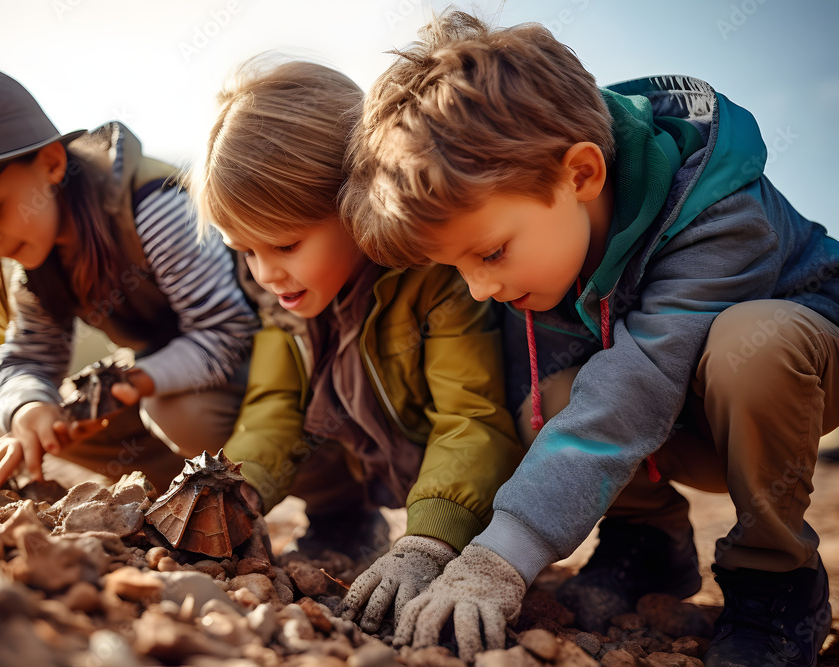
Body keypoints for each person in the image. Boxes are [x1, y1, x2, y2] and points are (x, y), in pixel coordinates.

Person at [342, 10, 839, 665]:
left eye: (489, 252)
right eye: (456, 266)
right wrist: (436, 543)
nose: (479, 288)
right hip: (687, 411)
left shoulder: (721, 214)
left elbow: (633, 390)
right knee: (545, 399)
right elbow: (553, 411)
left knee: (754, 341)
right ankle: (649, 542)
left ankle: (777, 580)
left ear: (579, 174)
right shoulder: (538, 252)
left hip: (799, 371)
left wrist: (504, 556)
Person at [193, 58, 523, 631]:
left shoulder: (437, 278)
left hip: (460, 476)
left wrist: (428, 542)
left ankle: (641, 538)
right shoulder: (284, 300)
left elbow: (470, 419)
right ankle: (348, 520)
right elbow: (274, 410)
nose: (265, 272)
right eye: (244, 250)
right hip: (374, 462)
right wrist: (233, 496)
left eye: (286, 244)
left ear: (355, 202)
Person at [0, 67, 258, 491]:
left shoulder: (154, 209)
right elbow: (25, 359)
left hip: (261, 372)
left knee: (179, 412)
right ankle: (190, 496)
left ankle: (314, 495)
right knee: (54, 423)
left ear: (53, 164)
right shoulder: (35, 258)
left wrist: (135, 381)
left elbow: (229, 334)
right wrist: (28, 408)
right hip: (173, 378)